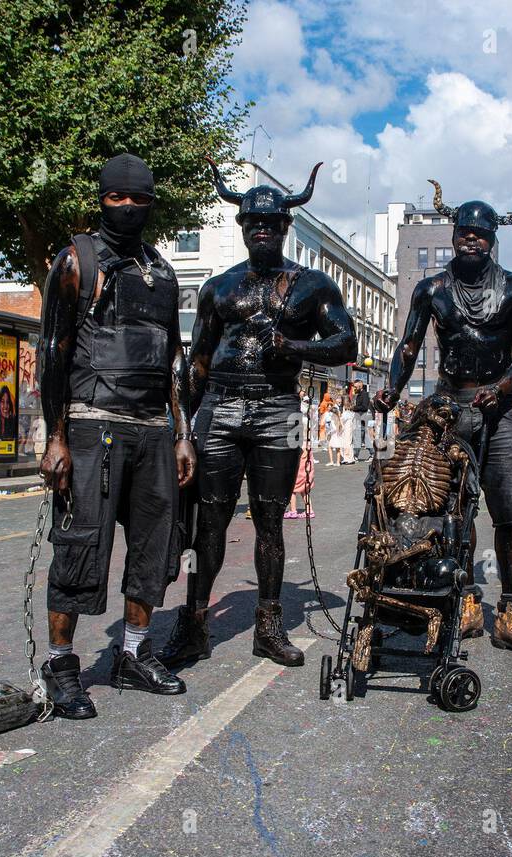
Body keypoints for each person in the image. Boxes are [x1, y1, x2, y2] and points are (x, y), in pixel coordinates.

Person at [157, 159, 356, 670]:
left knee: (270, 520)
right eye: (252, 223)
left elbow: (345, 342)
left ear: (286, 228)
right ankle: (195, 624)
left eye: (270, 223)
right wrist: (182, 429)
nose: (261, 230)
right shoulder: (218, 287)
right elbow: (195, 363)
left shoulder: (313, 285)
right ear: (242, 228)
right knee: (209, 525)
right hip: (220, 407)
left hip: (277, 406)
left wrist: (293, 345)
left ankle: (268, 626)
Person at [37, 152, 197, 715]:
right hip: (91, 427)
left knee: (158, 547)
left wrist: (181, 433)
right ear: (102, 199)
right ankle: (60, 664)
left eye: (139, 199)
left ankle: (132, 654)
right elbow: (52, 351)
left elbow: (175, 356)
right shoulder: (76, 260)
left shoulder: (163, 271)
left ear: (151, 203)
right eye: (117, 197)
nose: (128, 207)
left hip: (154, 430)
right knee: (81, 549)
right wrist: (54, 436)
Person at [373, 180, 512, 659]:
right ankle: (467, 601)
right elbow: (409, 345)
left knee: (510, 511)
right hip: (449, 410)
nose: (472, 238)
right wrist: (392, 385)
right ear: (453, 236)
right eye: (464, 231)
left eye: (481, 232)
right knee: (448, 511)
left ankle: (511, 613)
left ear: (493, 238)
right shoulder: (432, 289)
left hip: (500, 411)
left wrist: (504, 386)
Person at [339, 397, 357, 465]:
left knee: (347, 443)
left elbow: (342, 419)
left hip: (347, 428)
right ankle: (346, 458)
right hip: (346, 428)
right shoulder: (349, 412)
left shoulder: (347, 412)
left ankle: (350, 458)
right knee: (345, 443)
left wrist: (339, 416)